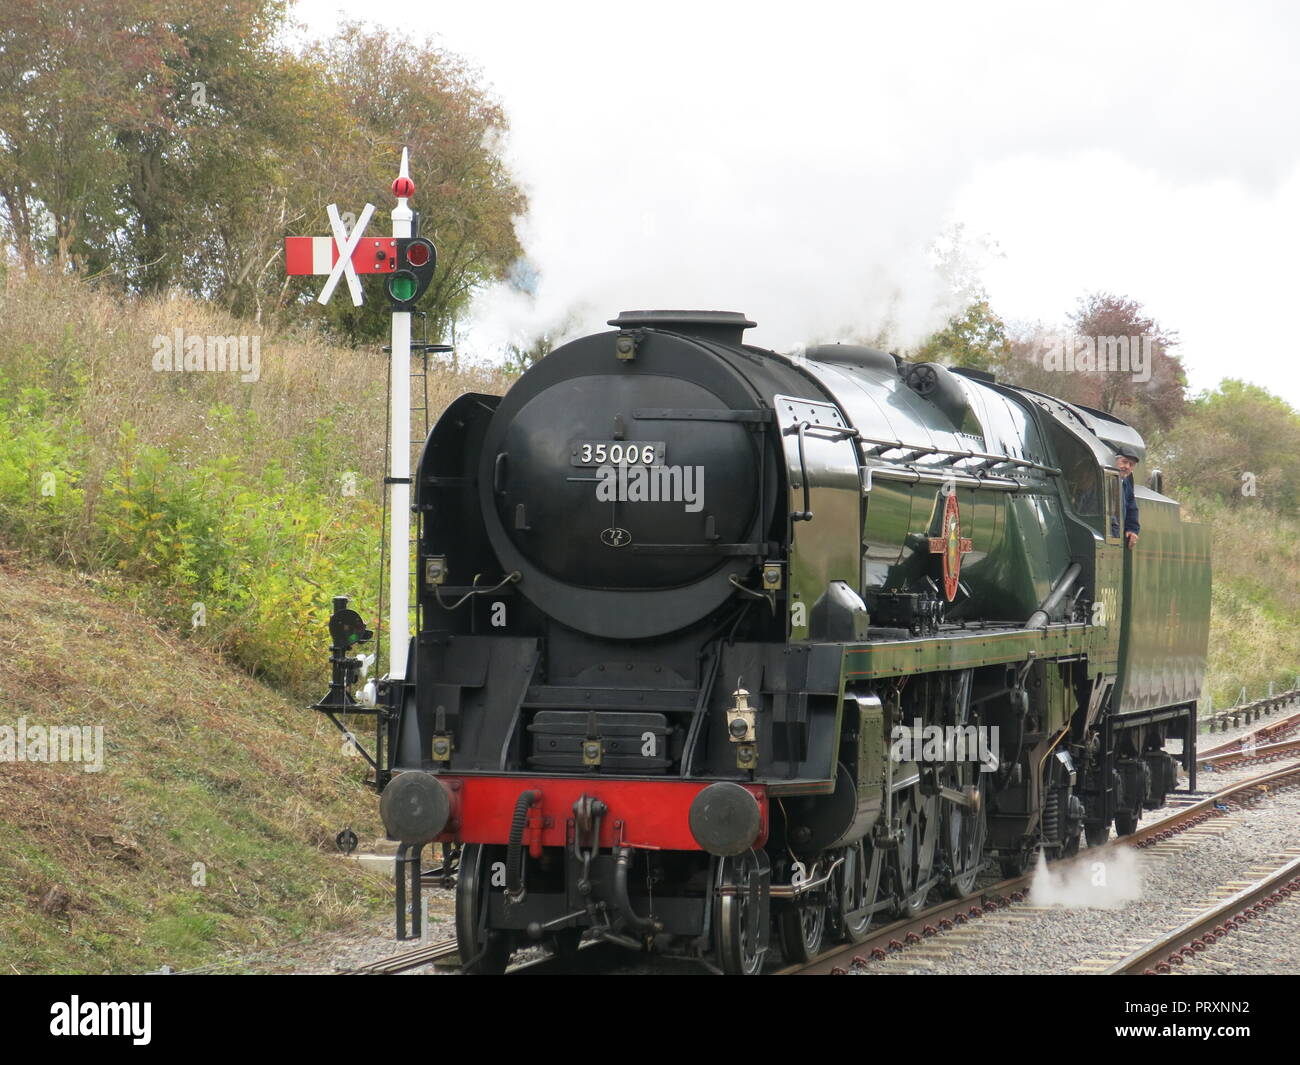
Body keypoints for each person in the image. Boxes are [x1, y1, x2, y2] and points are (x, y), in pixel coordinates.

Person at [1114, 445, 1140, 548]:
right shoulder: (1103, 481)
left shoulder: (1126, 483)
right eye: (1124, 462)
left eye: (1131, 464)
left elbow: (1132, 508)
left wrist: (1132, 530)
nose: (1127, 467)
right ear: (1115, 461)